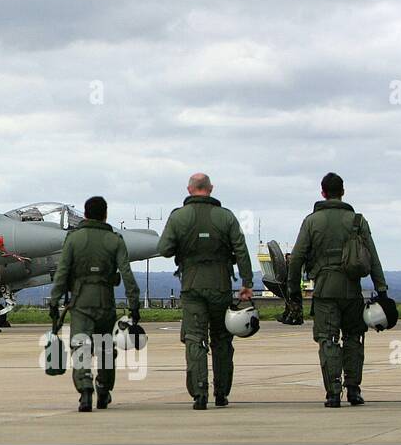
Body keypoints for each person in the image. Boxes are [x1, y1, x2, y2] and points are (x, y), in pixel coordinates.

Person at [287, 173, 390, 407]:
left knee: (328, 339)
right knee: (354, 337)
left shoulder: (311, 221)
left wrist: (293, 290)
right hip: (352, 290)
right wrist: (381, 289)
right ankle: (353, 389)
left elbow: (297, 258)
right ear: (343, 192)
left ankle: (333, 392)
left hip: (325, 290)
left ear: (322, 192)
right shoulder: (357, 220)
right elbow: (373, 257)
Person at [157, 172, 253, 410]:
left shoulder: (179, 217)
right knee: (222, 339)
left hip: (192, 286)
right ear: (211, 188)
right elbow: (241, 250)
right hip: (220, 285)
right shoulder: (225, 216)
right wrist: (247, 283)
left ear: (189, 189)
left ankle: (199, 393)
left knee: (195, 339)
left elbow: (164, 249)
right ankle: (221, 393)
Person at [49, 196, 140, 412]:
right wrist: (134, 304)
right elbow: (127, 274)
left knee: (81, 345)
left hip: (81, 302)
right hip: (106, 301)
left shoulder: (73, 239)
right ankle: (103, 388)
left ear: (86, 214)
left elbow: (62, 273)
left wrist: (54, 301)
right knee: (106, 348)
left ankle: (85, 389)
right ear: (105, 215)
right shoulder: (115, 240)